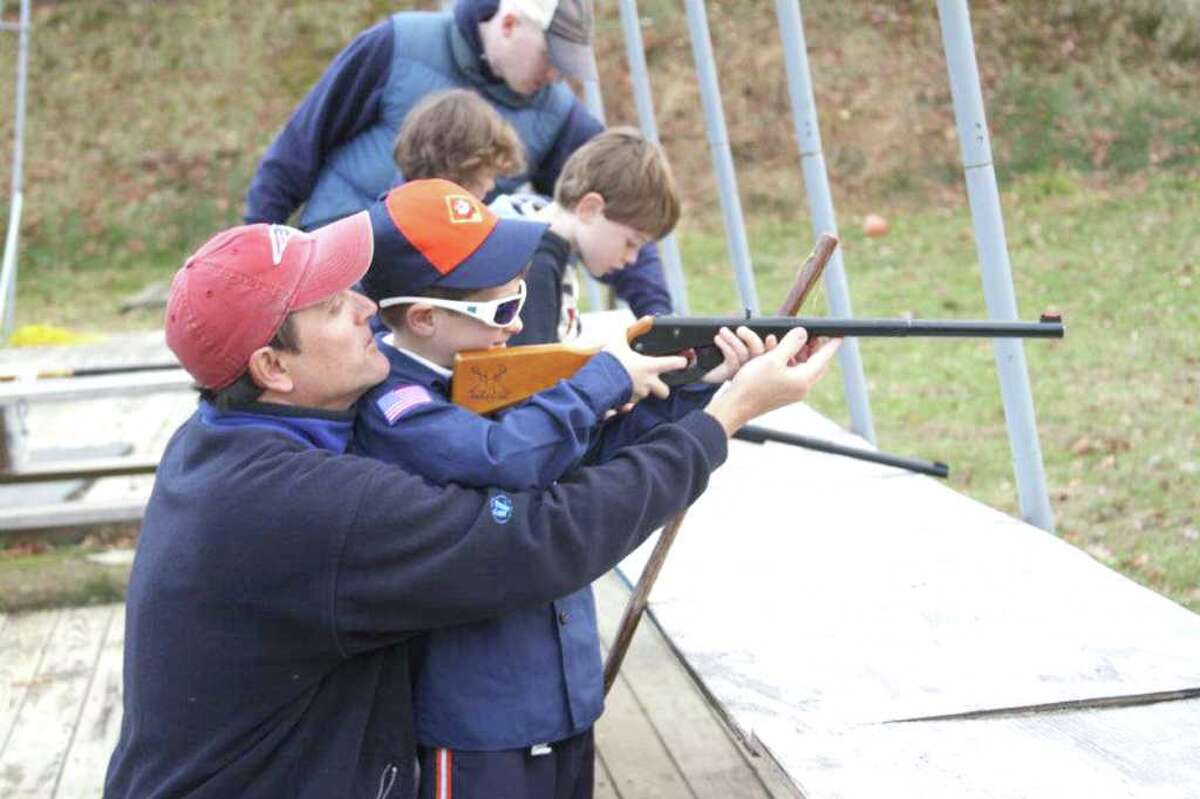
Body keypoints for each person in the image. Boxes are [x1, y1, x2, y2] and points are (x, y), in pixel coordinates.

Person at [103, 211, 841, 798]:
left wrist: (686, 395)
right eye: (333, 306)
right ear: (273, 366)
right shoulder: (309, 503)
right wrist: (721, 421)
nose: (368, 308)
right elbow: (540, 540)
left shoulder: (216, 441)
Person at [353, 180, 759, 799]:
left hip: (559, 698)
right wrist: (602, 378)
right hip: (474, 720)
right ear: (422, 319)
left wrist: (698, 387)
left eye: (518, 298)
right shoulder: (394, 405)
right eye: (500, 311)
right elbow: (503, 460)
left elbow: (580, 465)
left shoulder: (489, 384)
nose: (516, 325)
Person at [244, 0, 673, 318]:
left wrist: (661, 319)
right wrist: (258, 269)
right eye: (550, 57)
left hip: (426, 288)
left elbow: (620, 205)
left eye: (567, 64)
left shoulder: (557, 114)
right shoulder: (397, 43)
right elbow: (299, 149)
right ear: (507, 24)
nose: (557, 75)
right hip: (332, 264)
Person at [492, 126, 680, 345]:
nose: (632, 259)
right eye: (631, 243)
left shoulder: (554, 251)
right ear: (590, 209)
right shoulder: (534, 265)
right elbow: (534, 374)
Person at [393, 88, 526, 200]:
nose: (491, 186)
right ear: (457, 169)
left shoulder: (389, 211)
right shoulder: (412, 223)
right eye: (488, 175)